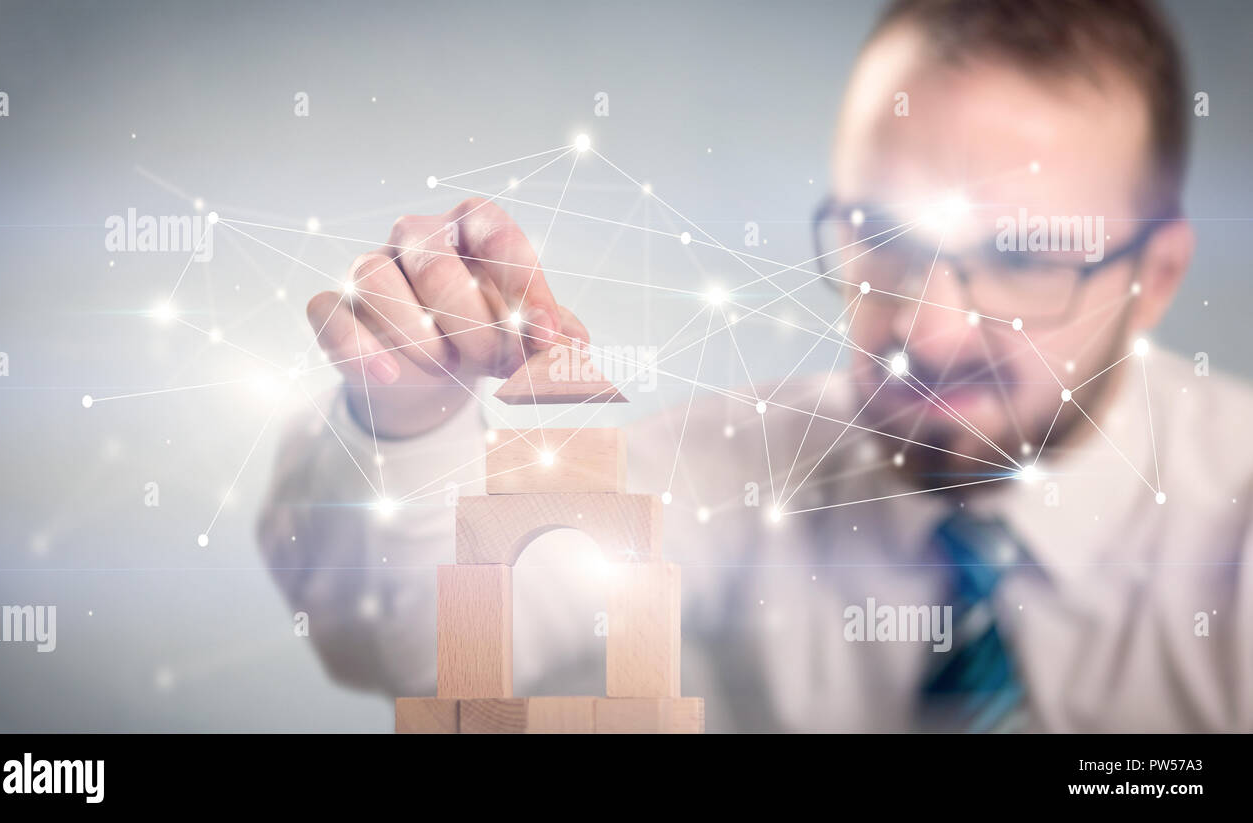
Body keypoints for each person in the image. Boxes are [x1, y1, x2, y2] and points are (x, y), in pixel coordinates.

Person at [257, 0, 1253, 732]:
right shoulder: (735, 472)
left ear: (1155, 278)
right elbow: (426, 644)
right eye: (882, 236)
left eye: (1026, 256)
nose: (931, 333)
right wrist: (411, 410)